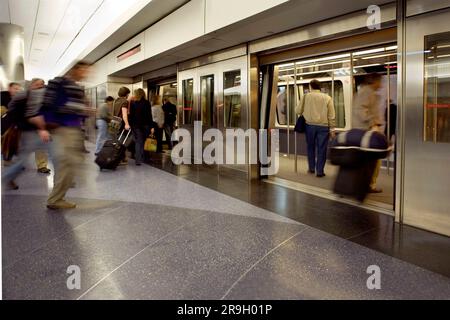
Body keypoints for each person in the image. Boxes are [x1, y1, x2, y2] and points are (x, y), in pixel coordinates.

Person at [41, 60, 93, 210]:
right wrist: (46, 126)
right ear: (75, 70)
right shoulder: (59, 83)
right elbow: (49, 104)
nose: (86, 74)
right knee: (66, 164)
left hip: (74, 129)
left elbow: (78, 108)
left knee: (71, 164)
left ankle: (58, 197)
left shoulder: (76, 87)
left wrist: (84, 112)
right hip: (62, 129)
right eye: (84, 71)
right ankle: (55, 199)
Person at [2, 78, 51, 190]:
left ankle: (43, 166)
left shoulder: (41, 98)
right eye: (37, 84)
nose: (39, 86)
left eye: (41, 85)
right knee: (19, 156)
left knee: (38, 151)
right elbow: (13, 113)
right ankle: (8, 176)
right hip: (21, 130)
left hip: (35, 130)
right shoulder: (22, 97)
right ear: (31, 85)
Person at [352, 73, 384, 193]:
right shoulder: (366, 92)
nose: (381, 84)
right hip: (367, 131)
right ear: (374, 81)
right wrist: (373, 124)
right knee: (374, 158)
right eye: (380, 81)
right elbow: (361, 110)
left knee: (370, 159)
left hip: (366, 130)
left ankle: (366, 183)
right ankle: (368, 184)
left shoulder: (367, 92)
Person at [296, 79, 336, 177]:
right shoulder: (327, 98)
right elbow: (331, 115)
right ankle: (320, 171)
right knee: (322, 149)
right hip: (323, 127)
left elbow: (298, 111)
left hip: (309, 126)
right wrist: (332, 129)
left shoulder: (305, 97)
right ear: (320, 87)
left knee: (310, 147)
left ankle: (311, 168)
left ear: (310, 86)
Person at [129, 88, 154, 165]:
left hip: (136, 126)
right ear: (143, 94)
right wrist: (152, 126)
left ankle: (138, 160)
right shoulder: (147, 103)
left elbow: (131, 115)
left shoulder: (133, 103)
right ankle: (146, 158)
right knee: (146, 142)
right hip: (146, 125)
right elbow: (149, 116)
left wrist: (131, 125)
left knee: (138, 142)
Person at [113, 86, 131, 164]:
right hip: (120, 123)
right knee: (122, 142)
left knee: (116, 140)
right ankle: (119, 159)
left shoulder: (115, 101)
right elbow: (124, 114)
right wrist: (127, 124)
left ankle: (121, 158)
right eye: (128, 94)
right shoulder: (125, 101)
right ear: (126, 94)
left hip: (113, 122)